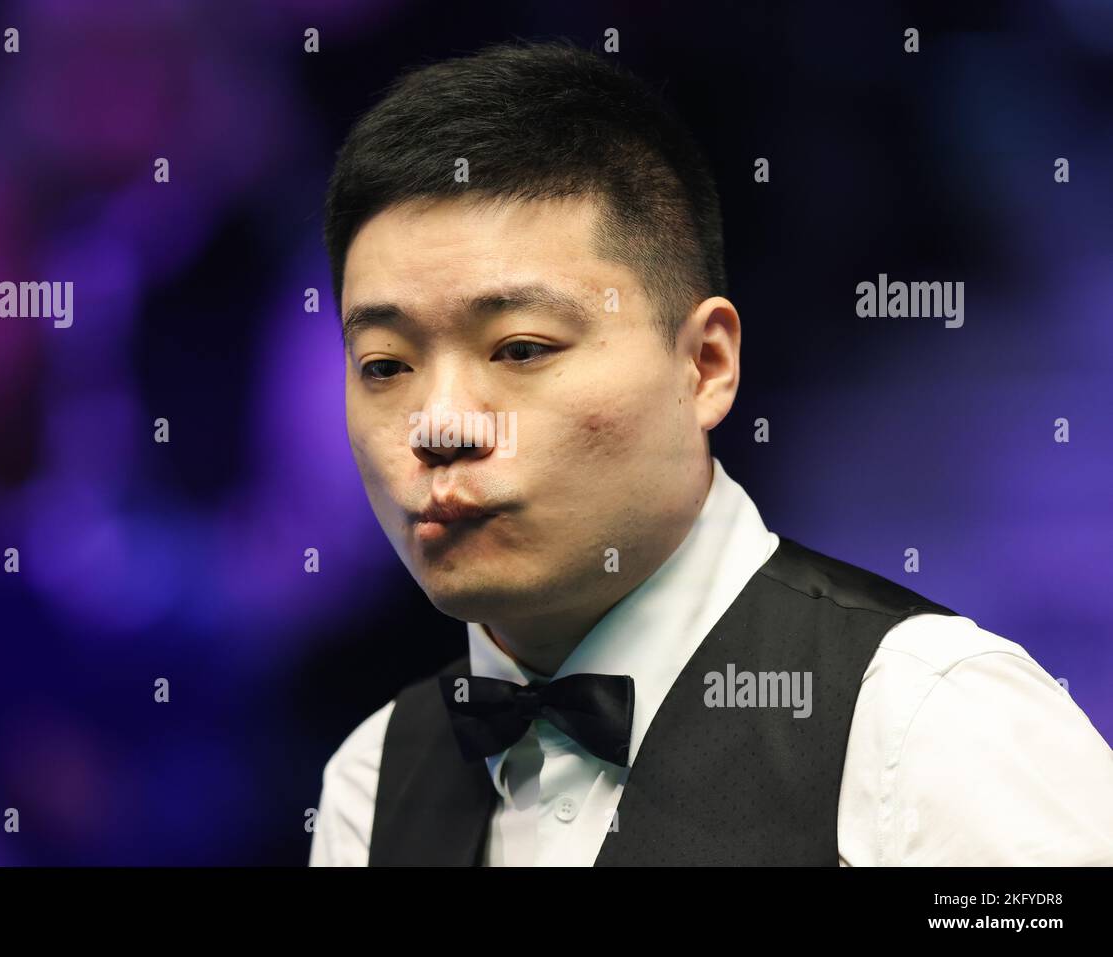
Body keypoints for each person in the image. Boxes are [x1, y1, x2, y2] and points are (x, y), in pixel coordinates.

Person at [308, 40, 1113, 866]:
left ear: (705, 366)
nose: (439, 426)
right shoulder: (371, 782)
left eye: (519, 349)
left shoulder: (929, 724)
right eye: (385, 366)